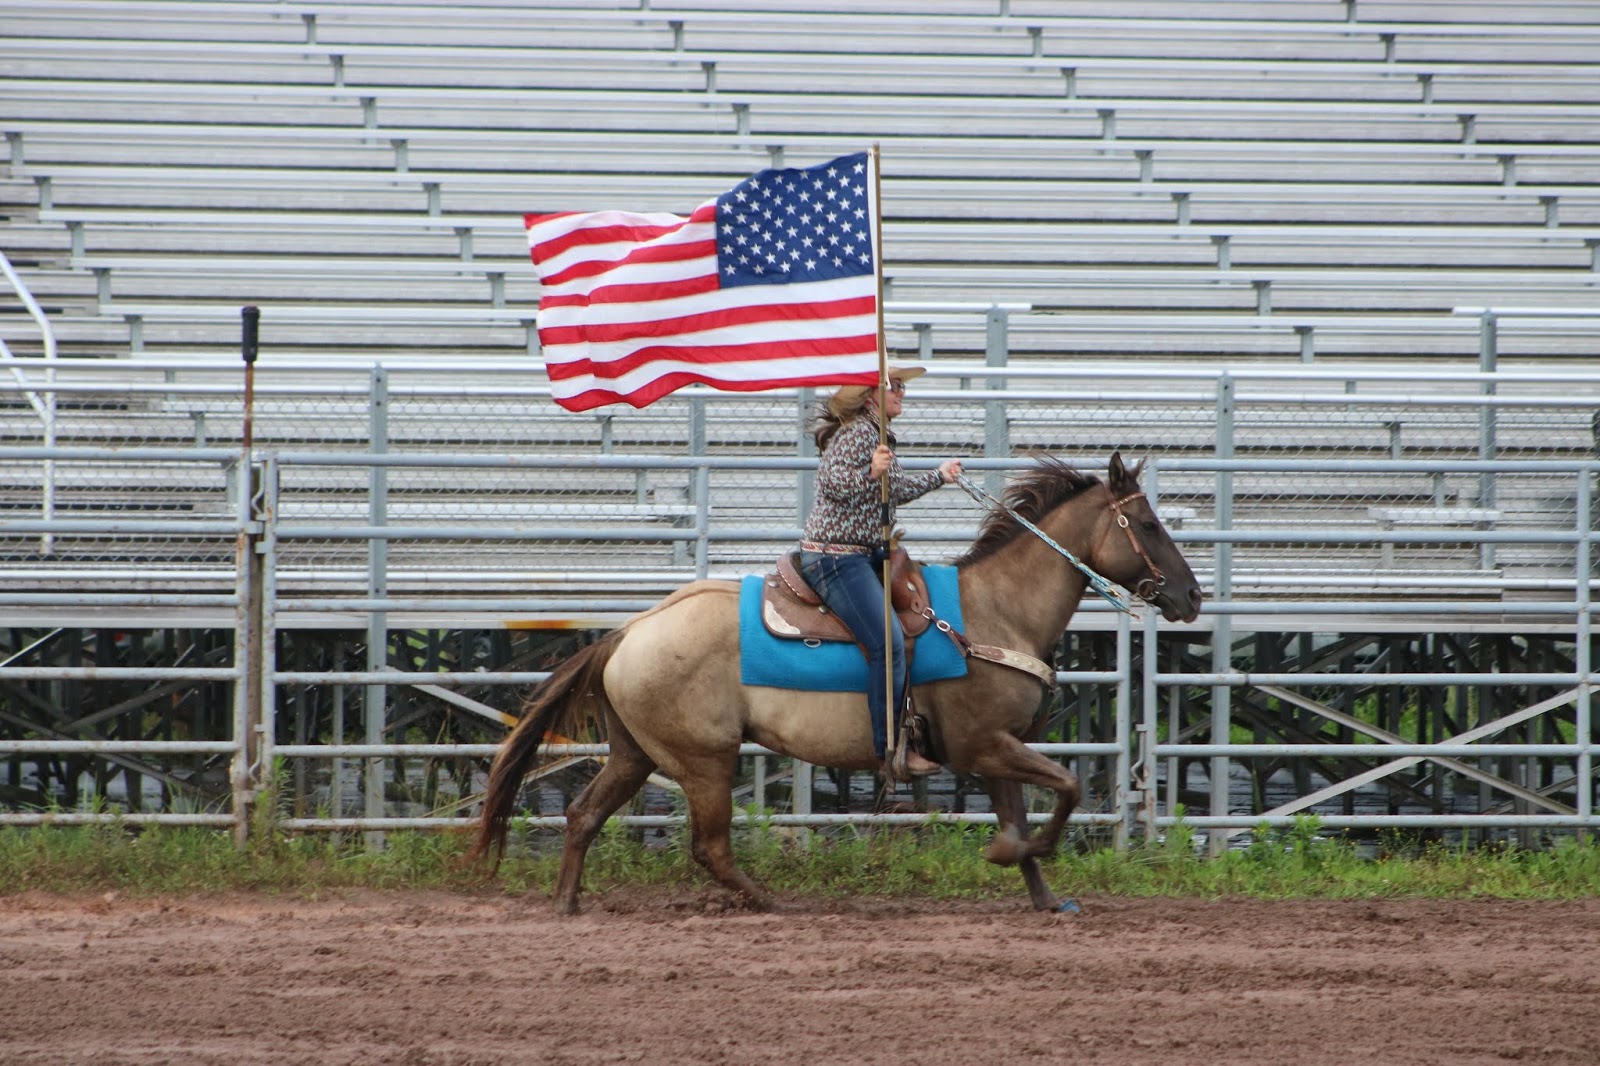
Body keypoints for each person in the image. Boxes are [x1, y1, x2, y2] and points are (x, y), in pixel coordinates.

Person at [798, 365, 963, 779]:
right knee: (888, 644)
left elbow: (895, 489)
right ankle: (887, 749)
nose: (903, 392)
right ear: (873, 394)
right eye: (896, 385)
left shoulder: (876, 434)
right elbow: (832, 482)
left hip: (862, 554)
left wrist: (938, 477)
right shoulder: (857, 433)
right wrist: (870, 472)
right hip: (838, 558)